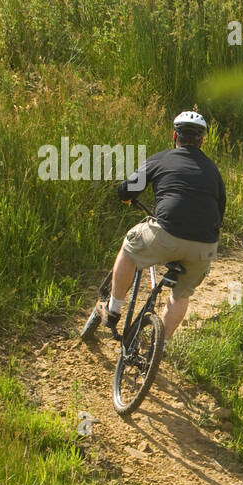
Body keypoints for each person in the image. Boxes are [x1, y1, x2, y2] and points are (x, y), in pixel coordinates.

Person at [93, 111, 225, 338]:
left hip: (168, 233)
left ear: (174, 136)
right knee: (181, 295)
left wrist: (125, 197)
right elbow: (220, 211)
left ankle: (113, 310)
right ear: (202, 140)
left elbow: (127, 190)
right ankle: (157, 346)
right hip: (205, 245)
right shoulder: (213, 171)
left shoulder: (162, 158)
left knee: (129, 247)